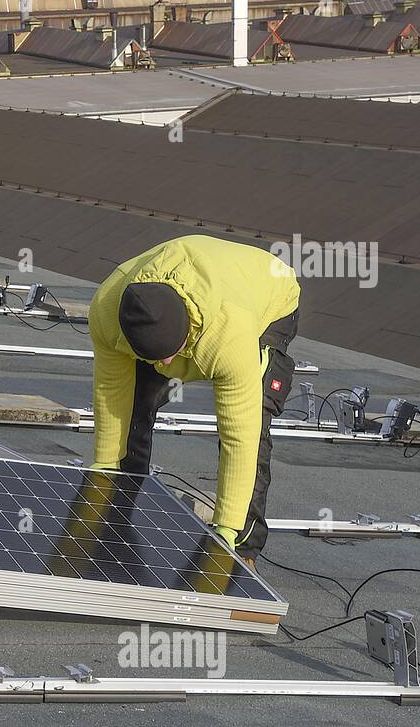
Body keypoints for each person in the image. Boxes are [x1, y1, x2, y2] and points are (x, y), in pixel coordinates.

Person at [88, 235, 301, 564]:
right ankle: (117, 514)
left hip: (269, 292)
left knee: (254, 426)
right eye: (156, 359)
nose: (167, 368)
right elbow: (112, 397)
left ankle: (243, 549)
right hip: (206, 284)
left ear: (187, 334)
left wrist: (226, 529)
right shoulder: (107, 311)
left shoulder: (229, 336)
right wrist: (103, 475)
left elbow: (238, 437)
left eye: (171, 355)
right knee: (136, 404)